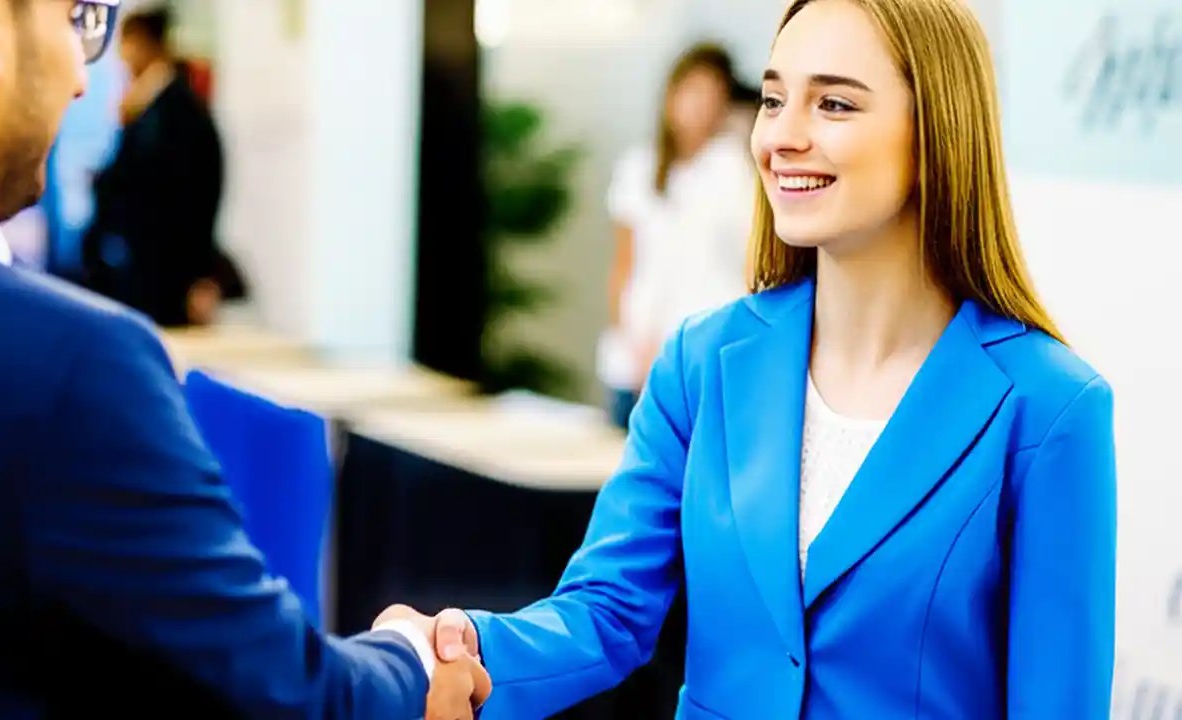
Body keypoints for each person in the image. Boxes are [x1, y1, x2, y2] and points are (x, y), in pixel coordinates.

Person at [385, 0, 1117, 717]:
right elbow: (607, 610)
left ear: (937, 134)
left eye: (834, 104)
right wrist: (465, 649)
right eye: (773, 100)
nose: (780, 138)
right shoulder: (703, 363)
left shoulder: (1049, 409)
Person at [0, 1, 487, 717]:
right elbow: (282, 697)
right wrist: (410, 661)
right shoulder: (71, 364)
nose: (83, 80)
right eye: (78, 19)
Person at [599, 43, 755, 429]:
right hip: (636, 358)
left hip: (705, 359)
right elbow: (624, 264)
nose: (698, 106)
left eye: (711, 96)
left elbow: (752, 262)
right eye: (692, 91)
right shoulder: (640, 166)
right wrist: (630, 338)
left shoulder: (733, 168)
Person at [81, 5, 225, 327]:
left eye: (126, 43)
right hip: (146, 261)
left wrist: (199, 273)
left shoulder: (177, 109)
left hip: (166, 266)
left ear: (145, 43)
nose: (122, 56)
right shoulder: (145, 102)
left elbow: (195, 193)